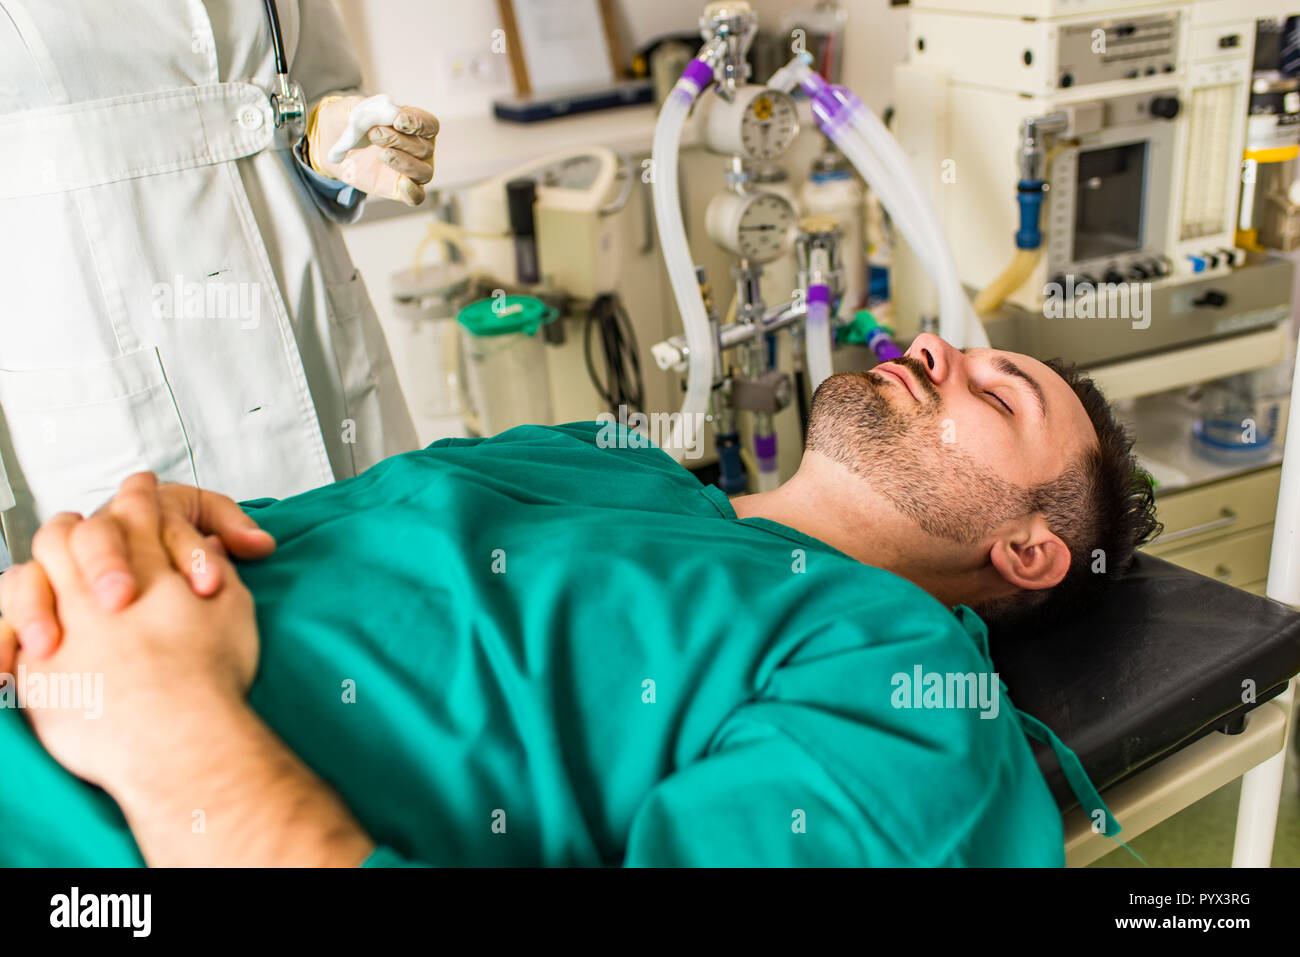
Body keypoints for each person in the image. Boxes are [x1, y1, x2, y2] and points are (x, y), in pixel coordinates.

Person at [0, 335, 1161, 866]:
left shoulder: (903, 679)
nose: (934, 348)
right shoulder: (604, 458)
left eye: (999, 395)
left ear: (1027, 552)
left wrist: (171, 740)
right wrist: (116, 560)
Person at [0, 0, 438, 566]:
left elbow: (304, 89)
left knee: (391, 600)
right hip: (97, 409)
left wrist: (328, 140)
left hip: (314, 336)